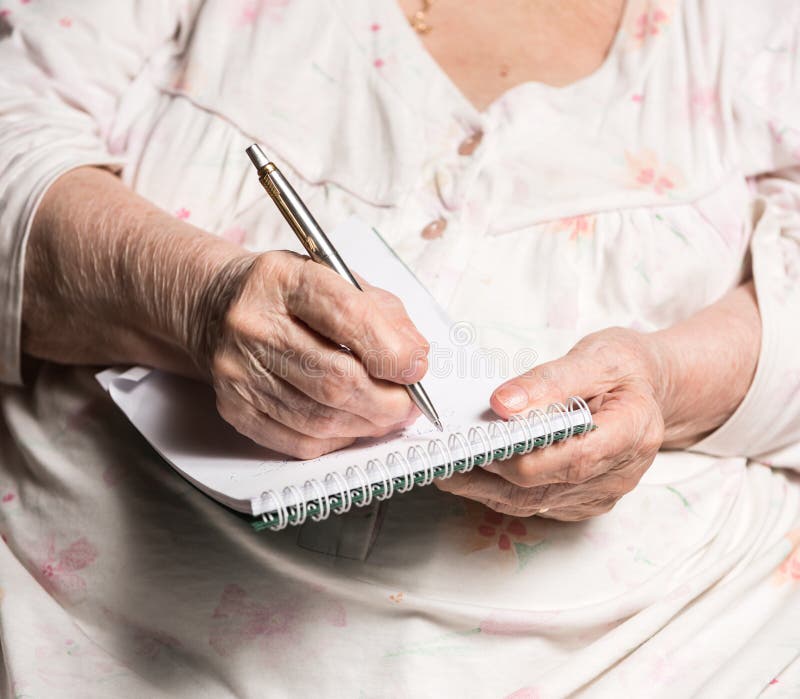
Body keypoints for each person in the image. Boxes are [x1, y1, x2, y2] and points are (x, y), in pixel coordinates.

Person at [1, 1, 798, 696]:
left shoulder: (757, 28)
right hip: (95, 635)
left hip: (663, 649)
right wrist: (197, 297)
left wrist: (663, 379)